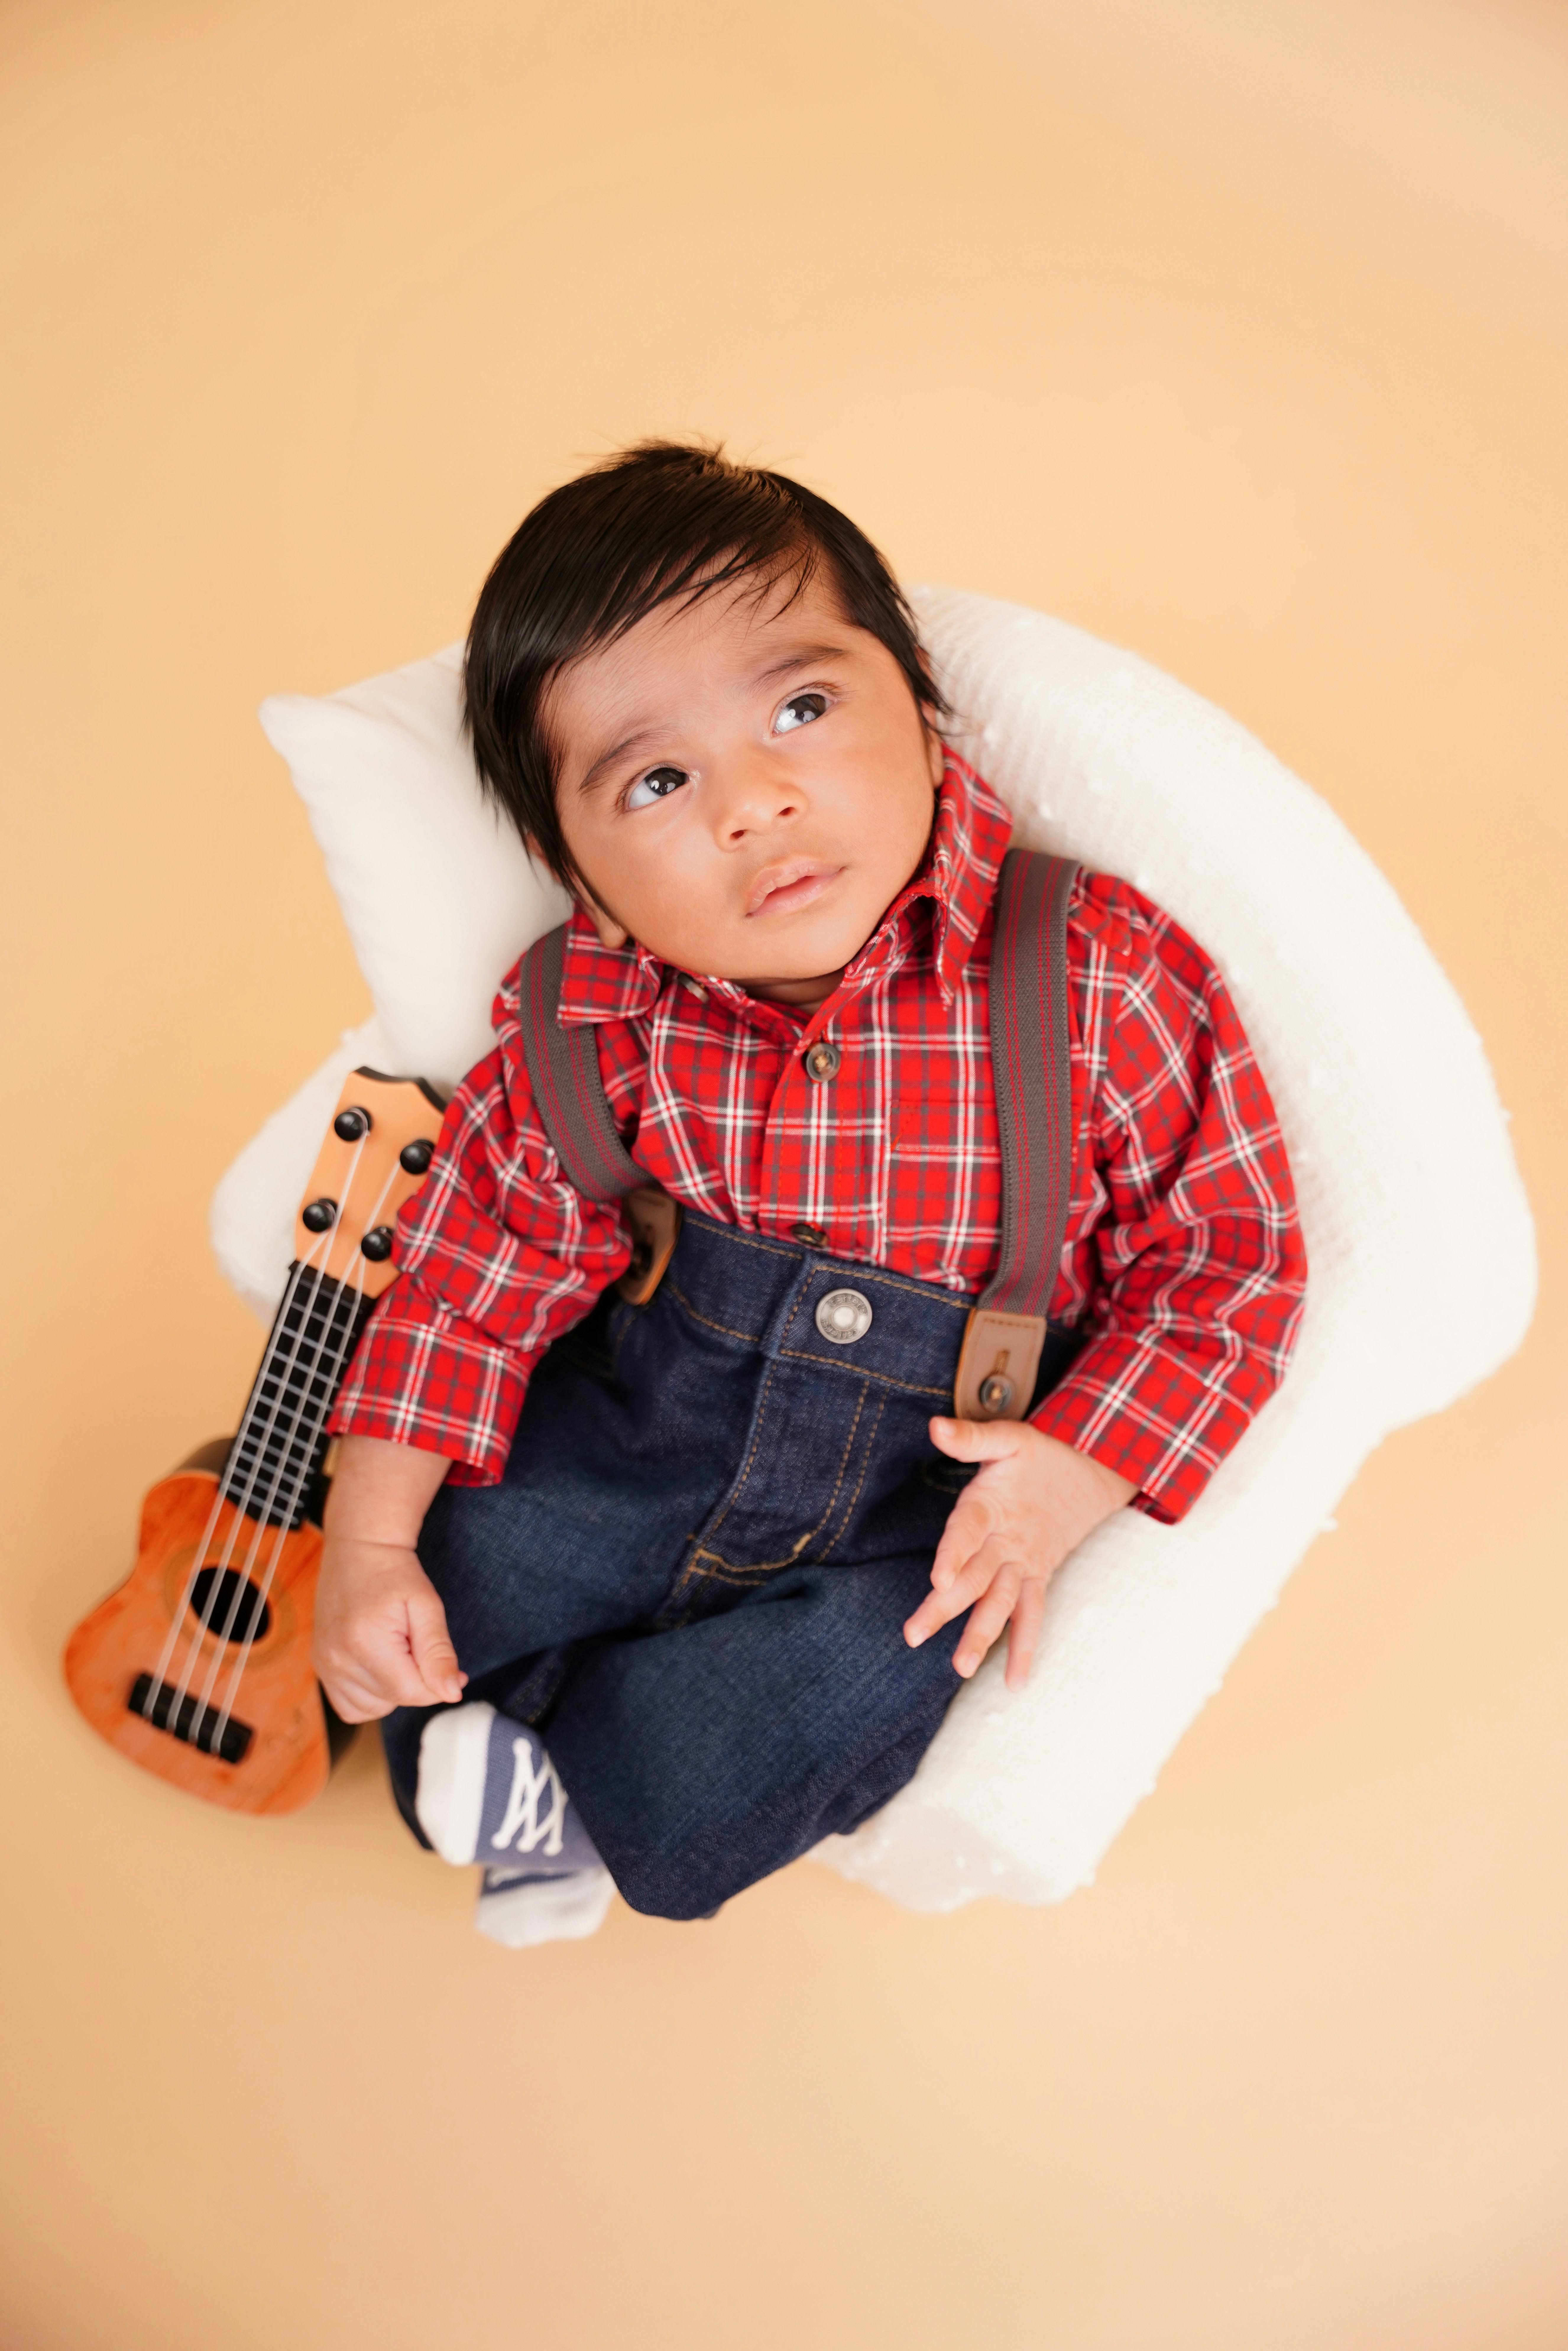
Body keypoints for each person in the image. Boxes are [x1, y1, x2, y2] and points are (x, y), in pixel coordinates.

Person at [313, 441, 1307, 1943]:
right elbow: (465, 1286)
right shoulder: (590, 1022)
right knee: (471, 1560)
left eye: (801, 709)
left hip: (918, 1497)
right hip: (644, 1433)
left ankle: (573, 1811)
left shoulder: (1091, 972)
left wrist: (1073, 1471)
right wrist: (370, 1538)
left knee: (866, 1674)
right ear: (569, 859)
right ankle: (489, 1755)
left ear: (920, 695)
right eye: (658, 780)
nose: (756, 801)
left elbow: (1225, 1264)